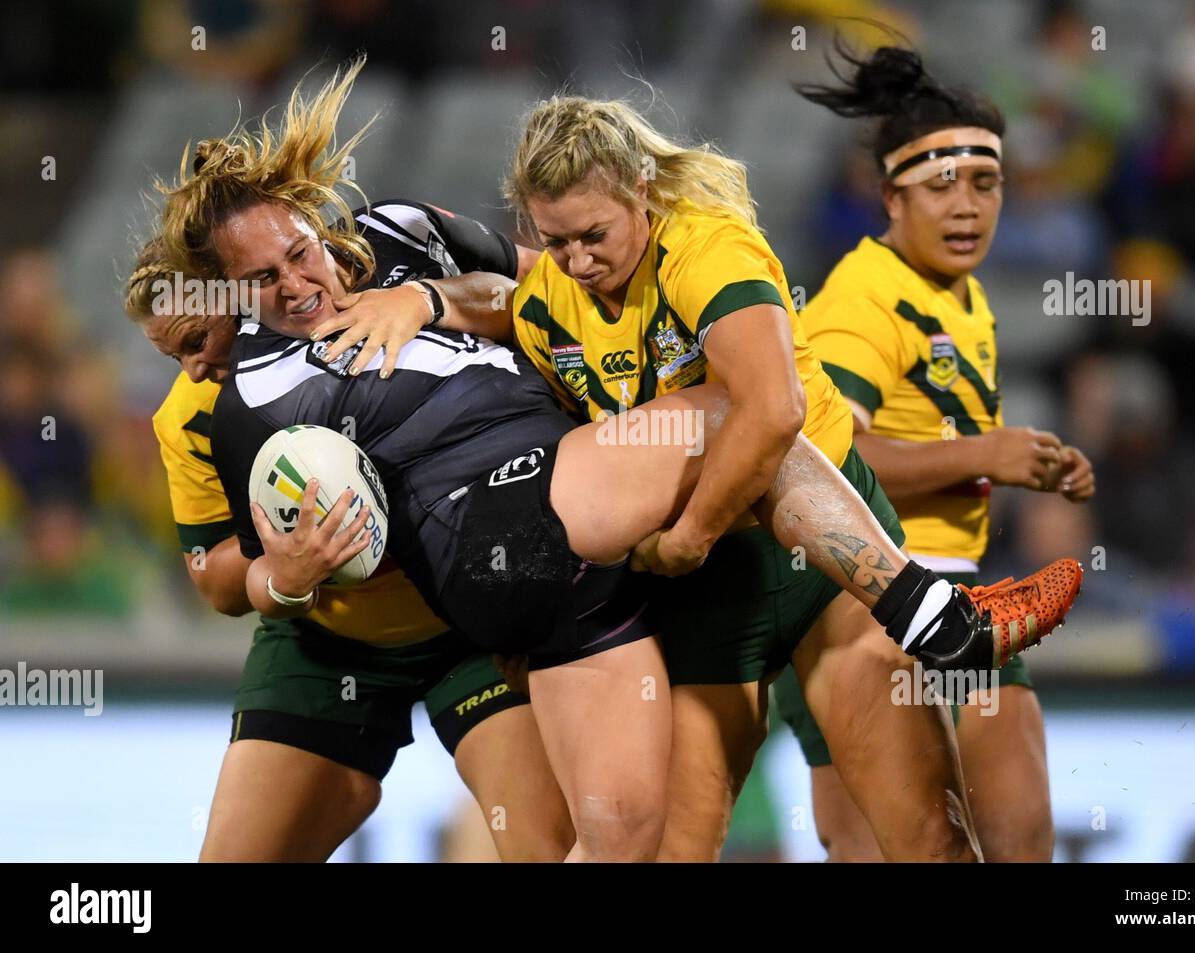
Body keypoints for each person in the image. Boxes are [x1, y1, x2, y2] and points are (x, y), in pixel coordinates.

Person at [313, 91, 1079, 861]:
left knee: (932, 843)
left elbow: (774, 412)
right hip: (700, 598)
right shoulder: (555, 298)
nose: (579, 261)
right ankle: (935, 615)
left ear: (641, 191)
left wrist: (691, 533)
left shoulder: (710, 249)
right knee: (669, 855)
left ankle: (931, 616)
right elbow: (507, 301)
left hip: (820, 567)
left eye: (594, 235)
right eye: (557, 240)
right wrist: (425, 297)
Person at [123, 89, 573, 859]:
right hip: (325, 641)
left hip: (471, 617)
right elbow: (213, 577)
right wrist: (287, 573)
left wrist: (430, 299)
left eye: (200, 336)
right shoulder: (198, 414)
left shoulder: (395, 242)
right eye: (178, 354)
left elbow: (550, 297)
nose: (199, 363)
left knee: (545, 848)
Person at [780, 38, 1097, 861]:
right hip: (862, 606)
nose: (966, 206)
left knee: (1020, 840)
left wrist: (1035, 464)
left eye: (985, 182)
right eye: (940, 184)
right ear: (891, 196)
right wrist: (984, 454)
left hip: (964, 602)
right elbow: (825, 460)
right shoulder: (862, 295)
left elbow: (942, 437)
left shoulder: (968, 296)